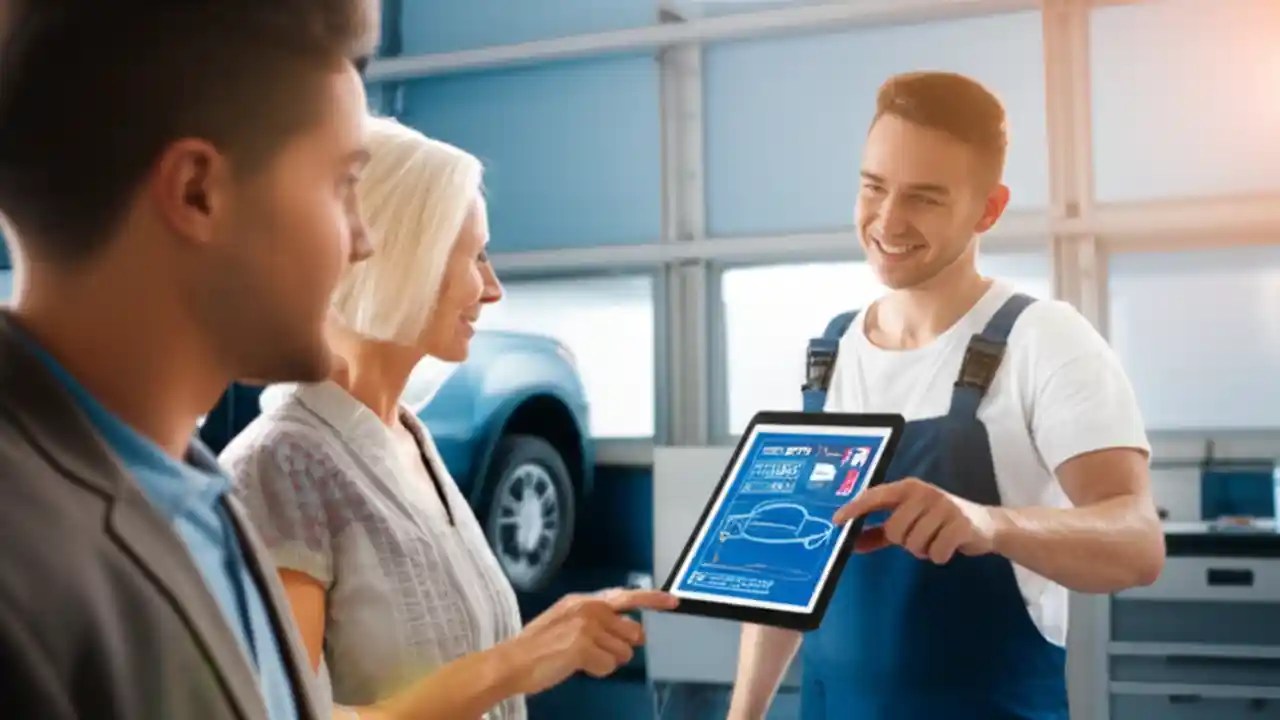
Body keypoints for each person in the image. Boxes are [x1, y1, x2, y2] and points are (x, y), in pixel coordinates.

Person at [726, 71, 1165, 720]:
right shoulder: (824, 357)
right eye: (874, 187)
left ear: (988, 208)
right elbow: (779, 578)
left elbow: (1137, 543)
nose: (888, 220)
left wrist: (992, 522)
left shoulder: (1044, 339)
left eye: (925, 198)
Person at [220, 115, 678, 720]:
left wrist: (554, 639)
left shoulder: (407, 436)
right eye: (476, 256)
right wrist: (515, 664)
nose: (492, 289)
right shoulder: (277, 467)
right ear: (403, 259)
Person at [0, 1, 378, 718]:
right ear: (197, 190)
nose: (361, 240)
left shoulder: (196, 494)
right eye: (341, 185)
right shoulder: (21, 576)